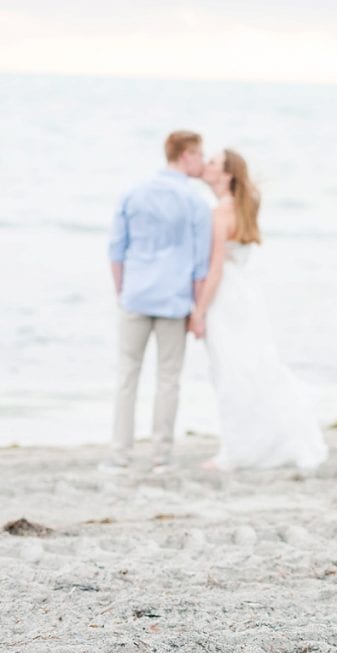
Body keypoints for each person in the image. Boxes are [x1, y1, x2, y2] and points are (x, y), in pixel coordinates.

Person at [188, 149, 327, 471]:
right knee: (252, 366)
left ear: (227, 175)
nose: (206, 166)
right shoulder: (242, 205)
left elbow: (215, 269)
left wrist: (198, 311)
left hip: (225, 297)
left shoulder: (221, 212)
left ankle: (237, 450)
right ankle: (261, 440)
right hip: (246, 295)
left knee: (231, 371)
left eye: (213, 163)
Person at [106, 130, 211, 471]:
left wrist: (122, 291)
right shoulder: (195, 201)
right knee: (168, 380)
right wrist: (198, 309)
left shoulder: (134, 192)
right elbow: (200, 264)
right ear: (186, 155)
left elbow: (116, 251)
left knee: (127, 377)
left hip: (135, 295)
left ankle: (120, 456)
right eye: (199, 154)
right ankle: (160, 458)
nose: (201, 161)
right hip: (173, 301)